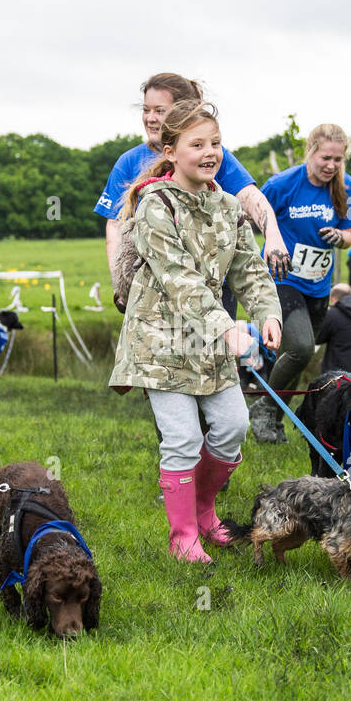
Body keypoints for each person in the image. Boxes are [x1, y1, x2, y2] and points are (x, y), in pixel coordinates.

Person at [109, 101, 281, 564]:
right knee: (183, 438)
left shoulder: (227, 205)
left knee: (232, 426)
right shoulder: (154, 207)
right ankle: (182, 535)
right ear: (171, 150)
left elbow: (250, 269)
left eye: (216, 144)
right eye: (197, 144)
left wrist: (269, 314)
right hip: (160, 345)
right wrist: (227, 327)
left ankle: (205, 512)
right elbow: (179, 279)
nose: (210, 153)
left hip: (210, 343)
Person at [94, 72, 290, 308]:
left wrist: (273, 237)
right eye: (146, 110)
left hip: (213, 285)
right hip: (156, 291)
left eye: (159, 110)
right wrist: (121, 285)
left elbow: (249, 196)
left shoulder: (212, 156)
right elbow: (115, 226)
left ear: (182, 113)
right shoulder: (129, 162)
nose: (150, 118)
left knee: (219, 341)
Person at [249, 123, 351, 442]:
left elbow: (350, 233)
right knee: (299, 349)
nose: (331, 166)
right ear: (310, 152)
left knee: (302, 353)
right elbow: (254, 215)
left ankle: (272, 418)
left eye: (338, 160)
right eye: (325, 158)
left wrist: (340, 237)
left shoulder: (347, 186)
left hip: (318, 285)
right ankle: (266, 408)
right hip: (282, 278)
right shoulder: (282, 184)